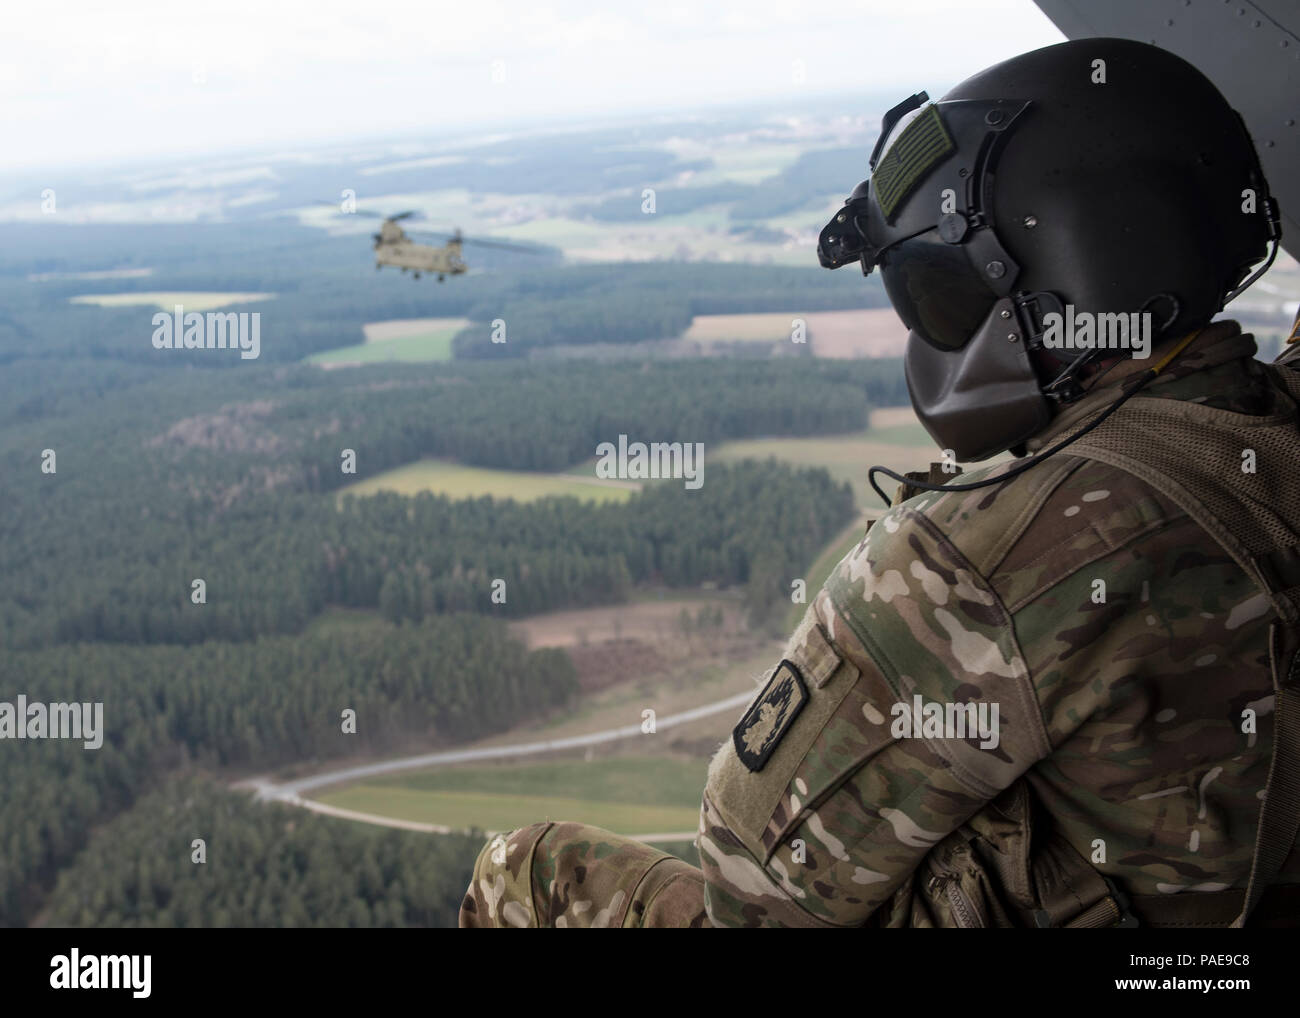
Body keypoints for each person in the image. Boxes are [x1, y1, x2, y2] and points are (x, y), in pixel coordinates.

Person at [459, 37, 1300, 928]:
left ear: (1071, 271)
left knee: (526, 867)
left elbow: (749, 890)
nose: (932, 333)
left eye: (941, 298)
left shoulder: (973, 566)